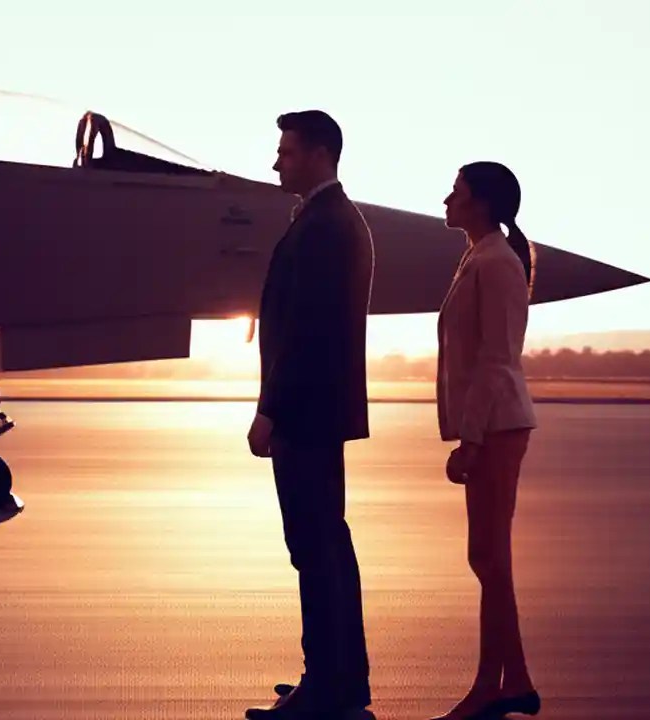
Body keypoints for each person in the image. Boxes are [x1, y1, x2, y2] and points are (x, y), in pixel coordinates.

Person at [245, 110, 376, 719]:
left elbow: (308, 332)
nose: (277, 162)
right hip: (316, 413)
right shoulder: (327, 219)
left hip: (306, 416)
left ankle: (327, 689)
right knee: (325, 547)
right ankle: (335, 680)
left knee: (316, 550)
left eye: (287, 152)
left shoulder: (325, 225)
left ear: (321, 154)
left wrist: (271, 410)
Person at [431, 161, 541, 719]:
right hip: (492, 425)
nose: (447, 199)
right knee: (488, 558)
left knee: (490, 558)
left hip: (498, 426)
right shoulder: (480, 256)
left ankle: (490, 688)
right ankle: (512, 681)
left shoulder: (495, 263)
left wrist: (471, 440)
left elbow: (498, 360)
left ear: (481, 204)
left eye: (458, 192)